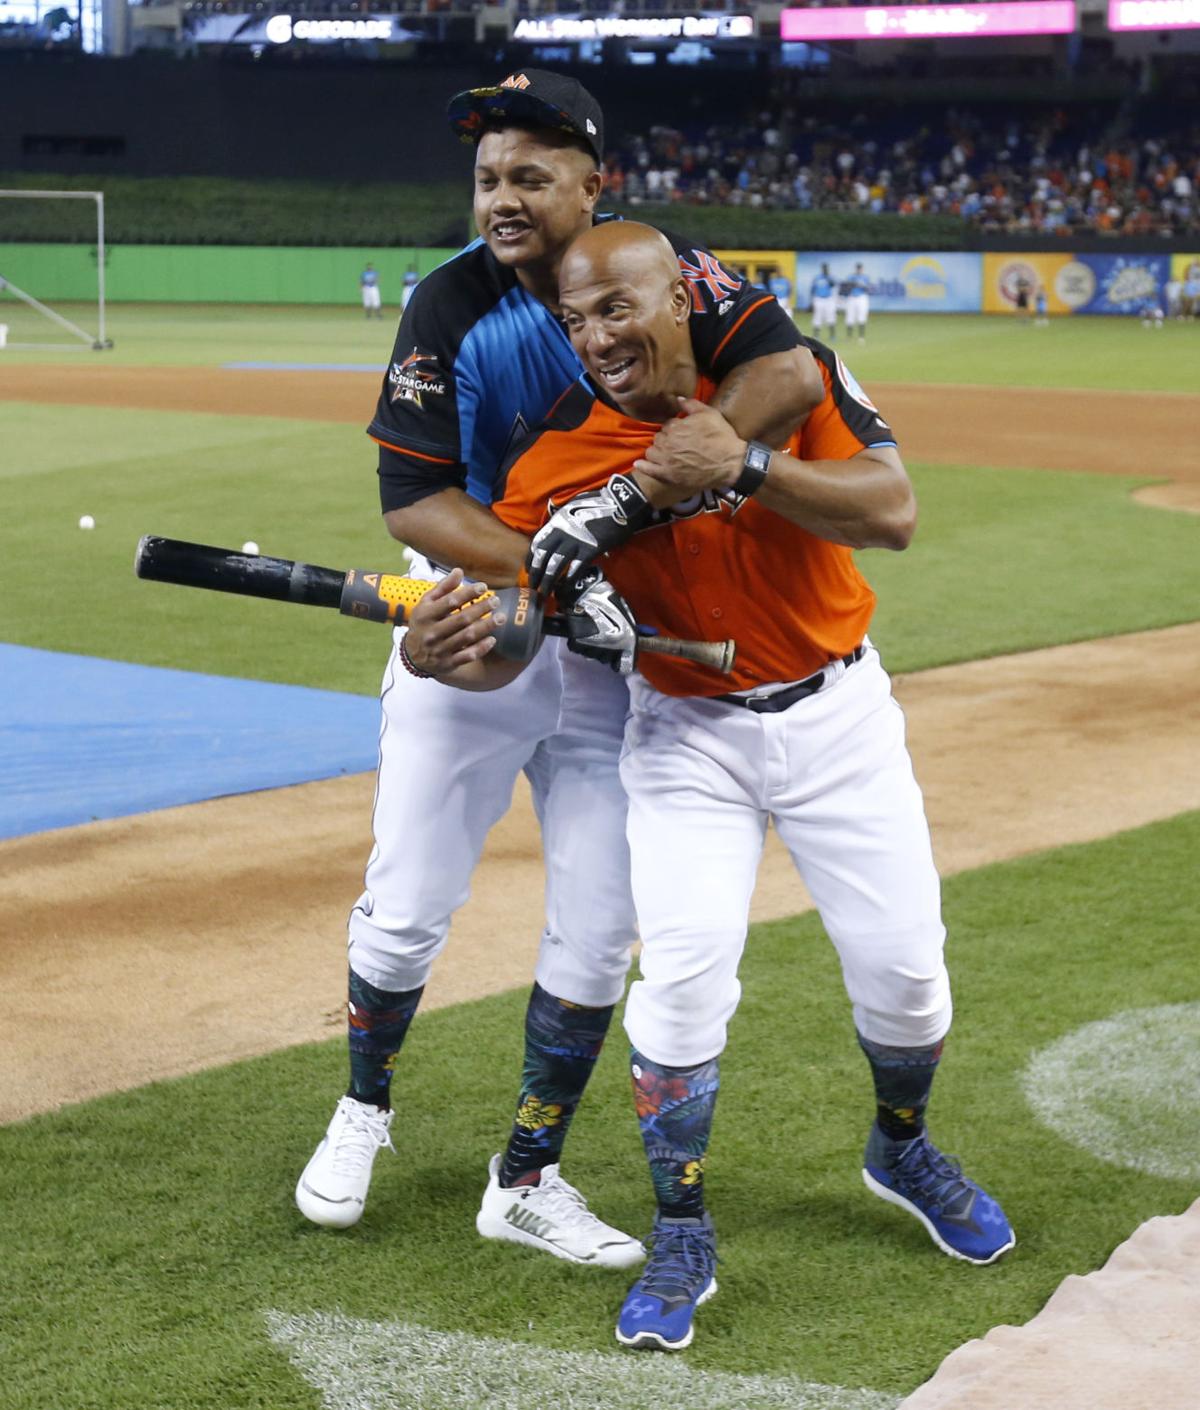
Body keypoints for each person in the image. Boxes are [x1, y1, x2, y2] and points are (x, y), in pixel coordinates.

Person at [416, 221, 1015, 1352]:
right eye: (577, 320)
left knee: (908, 980)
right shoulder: (554, 458)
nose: (598, 337)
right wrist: (450, 646)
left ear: (680, 299)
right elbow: (510, 628)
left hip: (841, 716)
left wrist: (739, 466)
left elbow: (891, 511)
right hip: (684, 735)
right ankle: (681, 1224)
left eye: (619, 309)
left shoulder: (792, 383)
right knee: (683, 984)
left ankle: (902, 1144)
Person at [294, 70, 822, 1265]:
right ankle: (362, 1108)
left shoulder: (671, 274)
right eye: (487, 178)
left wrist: (661, 481)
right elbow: (414, 500)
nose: (503, 198)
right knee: (410, 902)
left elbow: (791, 373)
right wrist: (553, 565)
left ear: (597, 184)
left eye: (531, 175)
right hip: (479, 625)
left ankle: (525, 1175)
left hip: (605, 661)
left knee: (598, 924)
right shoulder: (448, 304)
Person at [810, 262, 837, 342]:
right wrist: (811, 300)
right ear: (822, 269)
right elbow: (813, 289)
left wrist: (827, 277)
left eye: (826, 268)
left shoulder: (830, 277)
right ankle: (816, 335)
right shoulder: (817, 278)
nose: (825, 269)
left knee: (831, 316)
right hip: (819, 299)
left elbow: (833, 285)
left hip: (828, 299)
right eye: (824, 268)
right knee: (817, 317)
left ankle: (832, 336)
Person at [843, 262, 870, 343]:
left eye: (860, 268)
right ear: (856, 269)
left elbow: (868, 288)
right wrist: (852, 284)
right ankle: (849, 337)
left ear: (862, 269)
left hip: (861, 298)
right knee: (849, 317)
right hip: (852, 298)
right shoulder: (851, 277)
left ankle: (861, 337)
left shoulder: (865, 277)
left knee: (862, 317)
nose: (859, 269)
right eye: (858, 268)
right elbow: (846, 287)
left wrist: (860, 285)